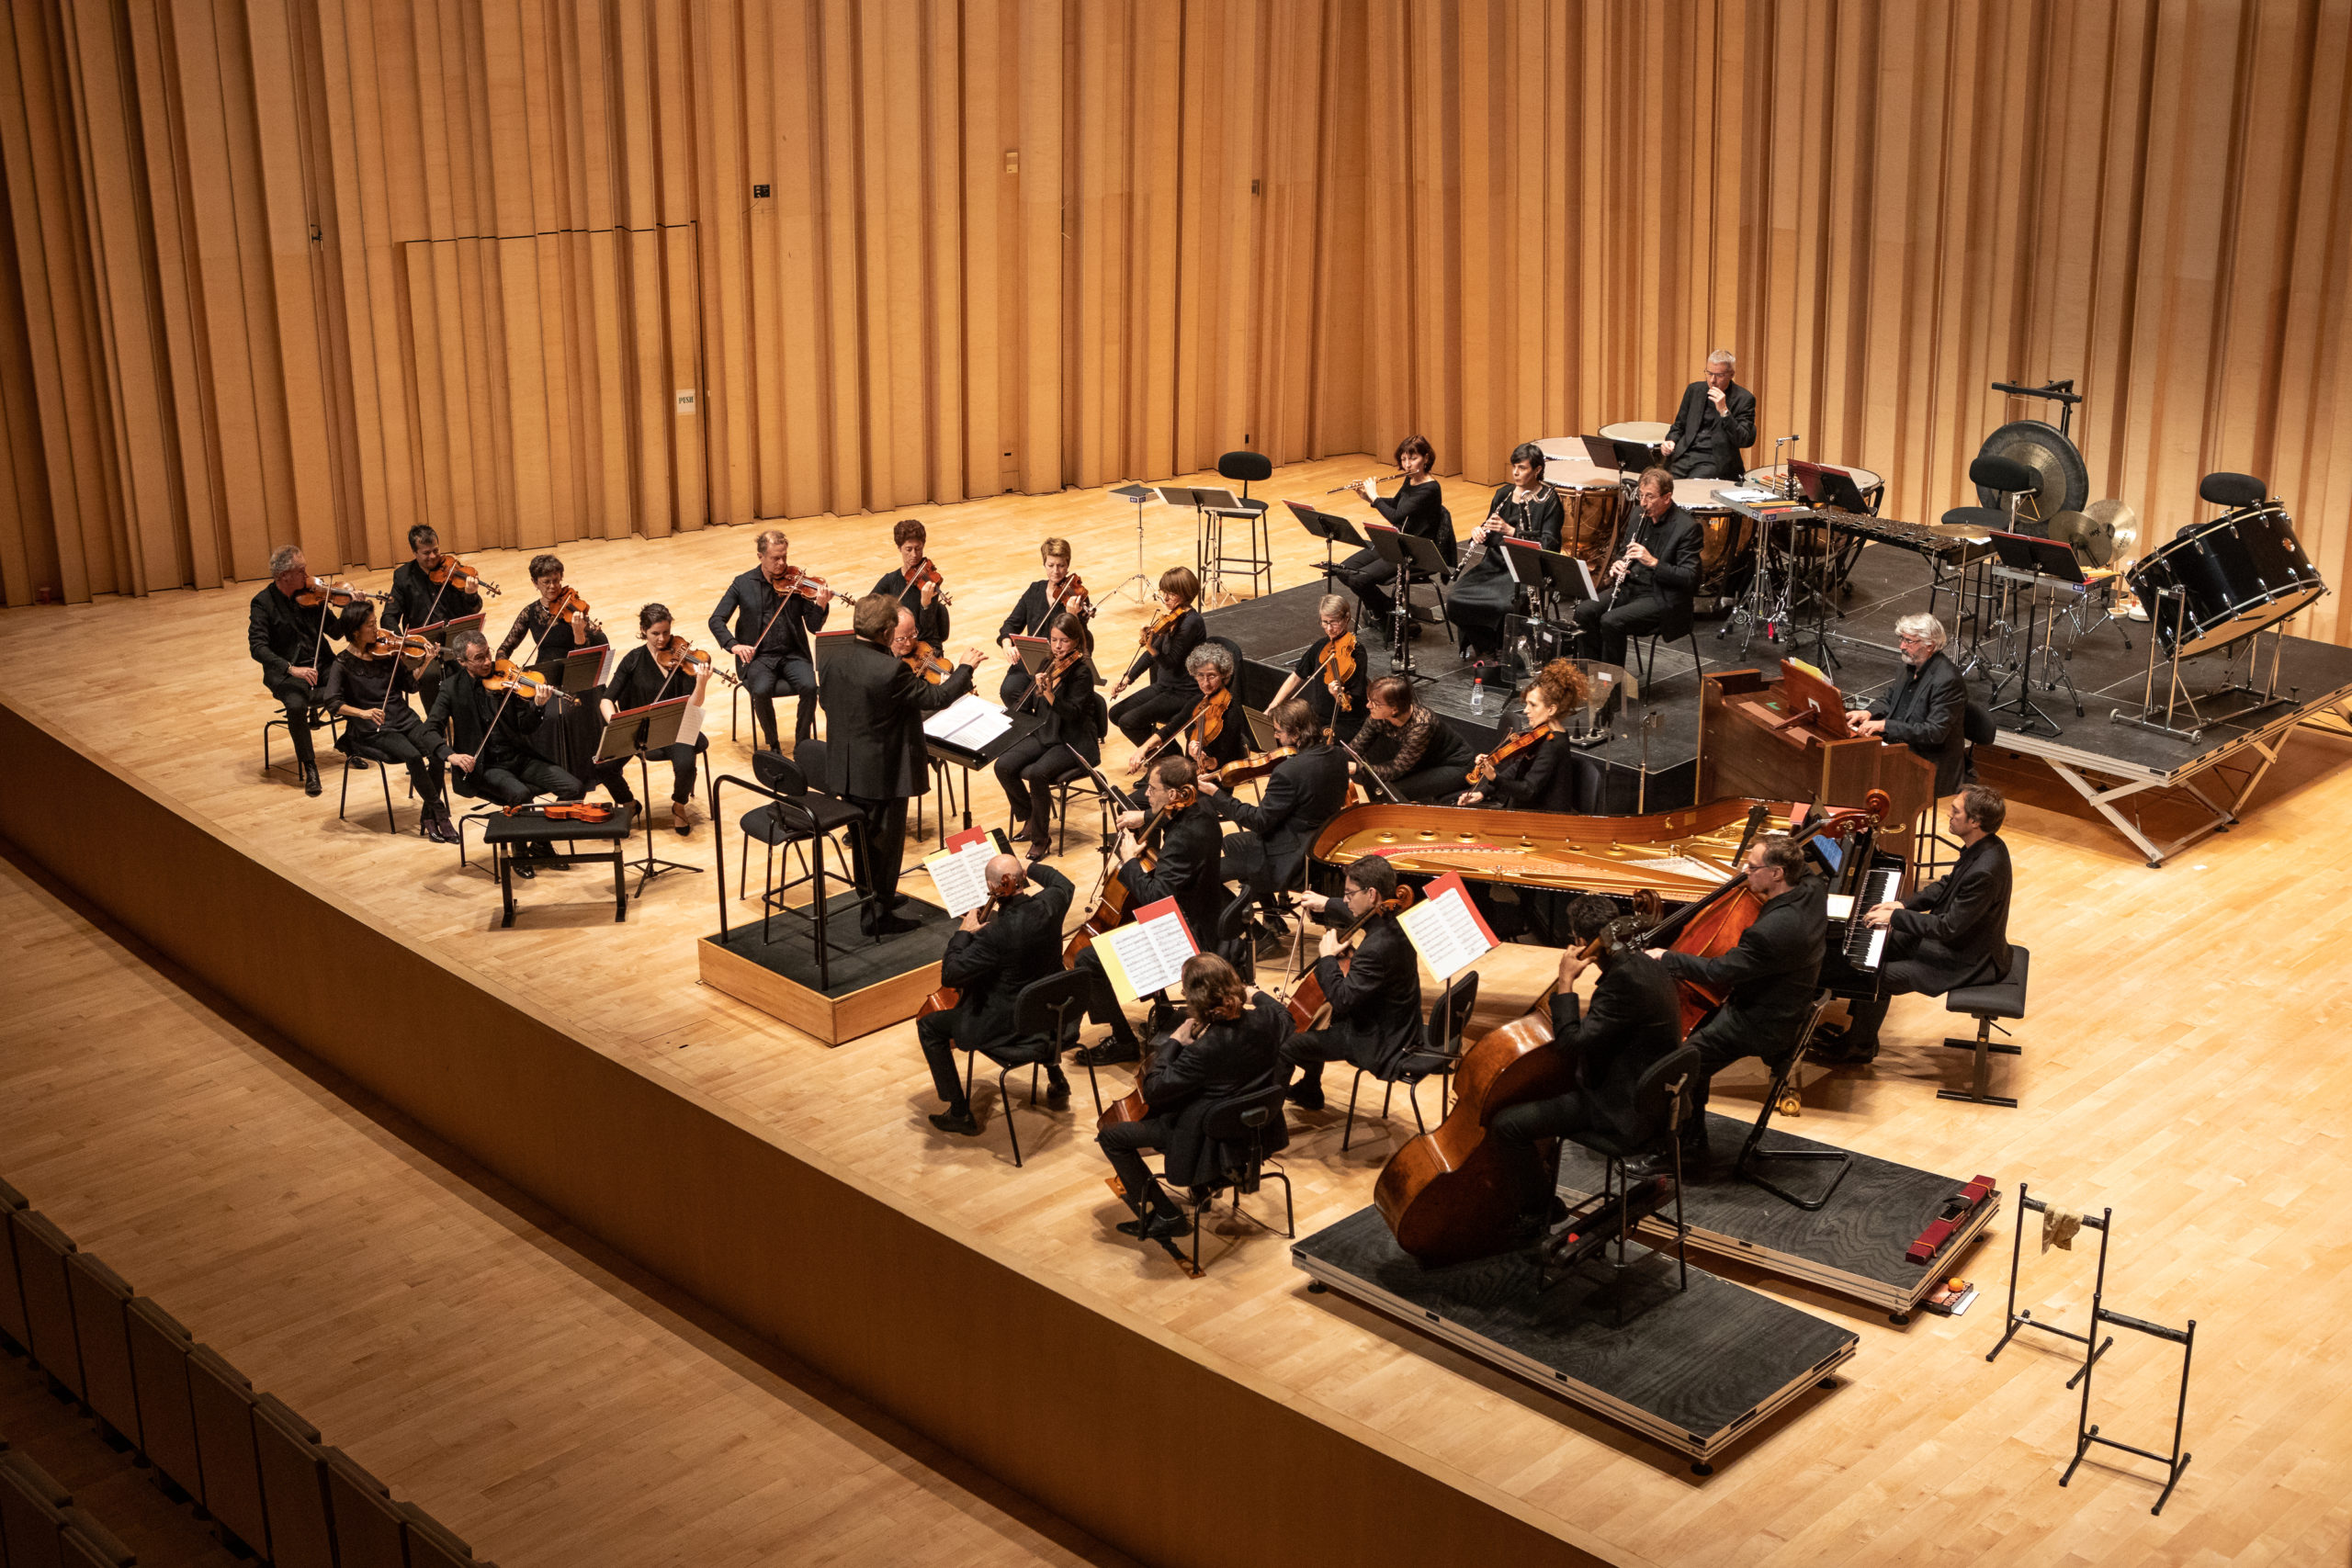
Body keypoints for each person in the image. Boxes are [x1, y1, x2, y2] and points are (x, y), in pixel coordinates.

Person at [1486, 897, 1686, 1225]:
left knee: (1508, 1125)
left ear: (1582, 941)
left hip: (1623, 1110)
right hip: (1653, 1099)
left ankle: (1539, 1211)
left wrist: (1565, 982)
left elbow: (1571, 1044)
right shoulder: (1646, 963)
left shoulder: (1622, 982)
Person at [1646, 834, 1826, 1156]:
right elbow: (1806, 869)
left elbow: (1720, 971)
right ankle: (1693, 1137)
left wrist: (1667, 957)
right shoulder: (1813, 891)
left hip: (1758, 1023)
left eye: (1753, 867)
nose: (1744, 872)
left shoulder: (1771, 931)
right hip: (1784, 1007)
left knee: (1678, 1065)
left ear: (1777, 874)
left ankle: (1682, 1153)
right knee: (1690, 1048)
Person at [1096, 953, 1292, 1247]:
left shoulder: (1204, 1049)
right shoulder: (1267, 1020)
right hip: (1254, 1125)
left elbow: (1154, 1089)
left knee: (1111, 1136)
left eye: (1186, 993)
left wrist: (1174, 1040)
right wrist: (1255, 993)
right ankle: (1205, 1183)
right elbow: (1286, 1016)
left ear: (1198, 999)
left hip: (1204, 1136)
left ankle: (1167, 1216)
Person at [817, 595, 981, 937]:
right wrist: (965, 668)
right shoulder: (889, 669)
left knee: (864, 841)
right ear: (884, 630)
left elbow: (826, 701)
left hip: (846, 765)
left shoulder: (833, 656)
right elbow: (936, 698)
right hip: (882, 769)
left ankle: (876, 899)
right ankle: (877, 915)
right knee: (884, 847)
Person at [1818, 784, 2014, 1065]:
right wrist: (1903, 905)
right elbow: (1946, 886)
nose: (1949, 812)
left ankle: (1858, 1048)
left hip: (1966, 959)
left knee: (1877, 976)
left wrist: (1896, 918)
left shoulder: (1985, 869)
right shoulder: (1984, 846)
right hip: (1954, 943)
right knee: (1873, 942)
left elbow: (1947, 927)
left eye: (1956, 810)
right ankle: (1857, 1036)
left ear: (1975, 822)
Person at [1070, 756, 1224, 1067]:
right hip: (1204, 910)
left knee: (1086, 959)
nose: (1147, 794)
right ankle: (1158, 1007)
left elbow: (1156, 899)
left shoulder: (1183, 838)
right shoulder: (1201, 809)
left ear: (1173, 794)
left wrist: (1128, 861)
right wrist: (1145, 816)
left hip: (1185, 932)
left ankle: (1123, 1042)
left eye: (1152, 789)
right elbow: (1176, 818)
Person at [919, 854, 1080, 1134]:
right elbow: (1062, 882)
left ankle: (959, 1113)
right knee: (1038, 994)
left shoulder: (995, 935)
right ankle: (1056, 1075)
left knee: (929, 1026)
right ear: (1021, 880)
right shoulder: (1051, 906)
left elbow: (952, 974)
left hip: (1012, 1030)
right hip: (1053, 1019)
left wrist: (963, 934)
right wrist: (1027, 866)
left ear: (995, 888)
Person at [430, 629, 585, 874]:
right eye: (478, 658)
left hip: (518, 758)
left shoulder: (507, 682)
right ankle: (519, 852)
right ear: (462, 662)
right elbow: (429, 730)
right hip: (486, 766)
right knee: (521, 795)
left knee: (574, 788)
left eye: (488, 654)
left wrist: (537, 706)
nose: (487, 662)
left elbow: (526, 727)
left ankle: (541, 844)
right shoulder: (451, 689)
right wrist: (451, 756)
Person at [1278, 857, 1423, 1111]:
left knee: (1284, 1044)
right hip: (1402, 1025)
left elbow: (1342, 1000)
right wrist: (1327, 903)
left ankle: (1267, 1122)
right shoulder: (1397, 919)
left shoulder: (1375, 950)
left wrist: (1327, 959)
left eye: (1348, 894)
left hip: (1376, 1041)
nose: (1345, 900)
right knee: (1316, 1023)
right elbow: (1364, 915)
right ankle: (1309, 1090)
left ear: (1372, 894)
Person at [319, 604, 458, 843]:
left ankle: (429, 813)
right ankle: (441, 814)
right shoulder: (342, 663)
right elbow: (332, 702)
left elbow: (411, 686)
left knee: (437, 749)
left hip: (404, 718)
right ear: (355, 631)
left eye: (376, 623)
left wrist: (426, 661)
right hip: (372, 729)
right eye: (371, 625)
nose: (378, 629)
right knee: (413, 756)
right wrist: (363, 713)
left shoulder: (386, 654)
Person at [1198, 699, 1349, 908]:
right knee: (1231, 841)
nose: (1275, 736)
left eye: (1278, 731)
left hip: (1293, 857)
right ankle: (1270, 915)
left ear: (1295, 733)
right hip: (1322, 843)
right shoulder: (1338, 756)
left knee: (1204, 876)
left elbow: (1259, 822)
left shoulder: (1288, 772)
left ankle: (1258, 931)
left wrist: (1216, 794)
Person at [589, 604, 715, 836]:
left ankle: (678, 806)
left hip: (677, 727)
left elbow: (693, 705)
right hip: (640, 731)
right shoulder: (634, 660)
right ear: (643, 630)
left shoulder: (684, 663)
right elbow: (606, 700)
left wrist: (702, 682)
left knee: (686, 765)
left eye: (666, 632)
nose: (662, 639)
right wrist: (617, 723)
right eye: (655, 633)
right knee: (602, 766)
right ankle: (629, 803)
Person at [248, 545, 364, 796]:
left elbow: (335, 632)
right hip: (288, 673)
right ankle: (310, 766)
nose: (307, 575)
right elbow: (257, 648)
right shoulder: (263, 603)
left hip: (321, 664)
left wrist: (351, 610)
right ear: (283, 576)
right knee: (297, 706)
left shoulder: (313, 595)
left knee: (357, 680)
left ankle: (350, 743)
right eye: (301, 571)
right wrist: (292, 669)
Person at [992, 614, 1105, 861]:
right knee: (1004, 765)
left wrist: (1051, 694)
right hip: (1046, 733)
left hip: (1073, 740)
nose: (1057, 646)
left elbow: (1073, 715)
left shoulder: (1082, 673)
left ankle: (1041, 839)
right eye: (1054, 640)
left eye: (1064, 641)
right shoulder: (1047, 663)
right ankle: (1031, 816)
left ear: (1076, 641)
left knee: (1037, 773)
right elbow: (1032, 704)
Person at [709, 529, 832, 750]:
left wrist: (821, 605)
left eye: (785, 556)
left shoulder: (796, 582)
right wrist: (734, 646)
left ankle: (802, 743)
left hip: (793, 653)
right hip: (759, 657)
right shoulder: (742, 584)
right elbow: (716, 619)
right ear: (760, 557)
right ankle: (773, 743)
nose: (782, 563)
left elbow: (813, 627)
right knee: (761, 689)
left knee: (809, 686)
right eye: (776, 558)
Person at [1572, 468, 1702, 668]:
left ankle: (1611, 688)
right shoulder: (1638, 514)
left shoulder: (1687, 528)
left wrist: (1653, 562)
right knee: (1584, 611)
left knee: (1610, 621)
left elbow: (1690, 578)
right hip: (1630, 587)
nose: (1643, 503)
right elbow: (1624, 550)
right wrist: (1618, 563)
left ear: (1667, 497)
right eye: (1641, 495)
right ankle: (1592, 676)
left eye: (1650, 497)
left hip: (1661, 597)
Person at [1447, 443, 1563, 667]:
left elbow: (1549, 544)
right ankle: (1486, 648)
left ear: (1537, 470)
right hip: (1494, 565)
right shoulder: (1504, 493)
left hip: (1525, 570)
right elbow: (1491, 530)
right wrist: (1479, 533)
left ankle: (1500, 648)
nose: (1516, 473)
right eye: (1514, 467)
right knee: (1455, 599)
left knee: (1503, 605)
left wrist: (1512, 532)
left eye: (1522, 468)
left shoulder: (1549, 500)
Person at [1337, 434, 1455, 640]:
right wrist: (1368, 497)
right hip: (1397, 543)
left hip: (1415, 551)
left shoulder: (1431, 488)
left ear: (1426, 458)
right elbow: (1397, 504)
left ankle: (1385, 617)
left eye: (1413, 458)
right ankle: (1392, 614)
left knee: (1359, 579)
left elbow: (1397, 517)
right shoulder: (1410, 480)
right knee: (1342, 570)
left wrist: (1375, 497)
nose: (1407, 465)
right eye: (1403, 459)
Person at [1854, 613, 1972, 796]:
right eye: (1902, 639)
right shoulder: (1907, 666)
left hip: (1927, 763)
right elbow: (1890, 698)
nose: (1902, 646)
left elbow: (1934, 732)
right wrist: (1868, 713)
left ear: (1929, 645)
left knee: (1861, 780)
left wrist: (1886, 725)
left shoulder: (1947, 680)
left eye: (1909, 641)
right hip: (1899, 751)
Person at [1457, 659, 1586, 810]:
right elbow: (1518, 768)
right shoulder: (1542, 733)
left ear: (1551, 710)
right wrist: (1484, 792)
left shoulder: (1553, 744)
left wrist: (1494, 778)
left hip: (1541, 819)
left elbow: (1528, 790)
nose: (1525, 710)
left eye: (1533, 705)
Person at [1126, 641, 1249, 789]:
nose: (1206, 683)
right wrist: (1143, 749)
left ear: (1223, 675)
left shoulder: (1231, 712)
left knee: (1149, 803)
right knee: (1136, 800)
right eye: (1200, 676)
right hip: (1189, 776)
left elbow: (1222, 762)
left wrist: (1204, 759)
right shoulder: (1198, 702)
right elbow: (1170, 729)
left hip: (1212, 785)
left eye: (1212, 676)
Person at [1109, 567, 1206, 743]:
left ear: (1186, 593)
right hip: (1163, 686)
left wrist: (1151, 648)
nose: (1166, 598)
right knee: (1116, 714)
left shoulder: (1191, 622)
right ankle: (1159, 749)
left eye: (1172, 593)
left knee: (1128, 721)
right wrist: (1127, 679)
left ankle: (1167, 754)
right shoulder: (1173, 618)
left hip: (1183, 692)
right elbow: (1149, 656)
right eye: (1164, 592)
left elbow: (1170, 663)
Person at [996, 537, 1093, 705]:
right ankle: (1028, 727)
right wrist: (1007, 644)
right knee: (1009, 691)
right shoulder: (1035, 590)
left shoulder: (1075, 596)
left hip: (1060, 665)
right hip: (1032, 660)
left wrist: (1073, 617)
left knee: (1043, 698)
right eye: (1051, 565)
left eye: (1061, 565)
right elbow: (1011, 623)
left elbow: (1084, 643)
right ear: (1044, 564)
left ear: (1068, 564)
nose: (1056, 571)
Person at [1347, 675, 1475, 803]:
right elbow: (1356, 747)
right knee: (1376, 783)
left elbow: (1396, 769)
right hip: (1422, 760)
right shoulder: (1379, 716)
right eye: (1369, 700)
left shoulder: (1421, 725)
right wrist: (1333, 758)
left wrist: (1359, 768)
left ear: (1394, 709)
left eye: (1374, 703)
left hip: (1454, 764)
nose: (1368, 705)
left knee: (1391, 792)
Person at [1266, 595, 1370, 743]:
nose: (1329, 628)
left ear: (1346, 618)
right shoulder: (1321, 646)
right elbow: (1297, 676)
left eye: (1334, 622)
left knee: (1316, 746)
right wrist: (1273, 705)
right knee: (1286, 734)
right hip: (1318, 718)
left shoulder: (1357, 652)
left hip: (1346, 721)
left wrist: (1337, 696)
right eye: (1325, 622)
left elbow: (1355, 698)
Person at [1660, 349, 1756, 481]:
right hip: (1685, 455)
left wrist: (1724, 411)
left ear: (1731, 374)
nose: (1712, 380)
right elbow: (1679, 425)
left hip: (1714, 461)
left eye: (1719, 375)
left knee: (1690, 488)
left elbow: (1744, 440)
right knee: (1659, 484)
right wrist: (1671, 440)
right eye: (1709, 373)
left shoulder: (1744, 399)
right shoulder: (1694, 390)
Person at [383, 524, 484, 634]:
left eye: (435, 550)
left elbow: (473, 611)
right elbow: (388, 617)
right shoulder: (403, 576)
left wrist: (471, 595)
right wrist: (402, 644)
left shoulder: (451, 569)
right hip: (423, 641)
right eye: (426, 553)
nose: (432, 556)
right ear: (414, 552)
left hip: (455, 636)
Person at [873, 519, 952, 650]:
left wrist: (925, 604)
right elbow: (868, 608)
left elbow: (927, 629)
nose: (914, 555)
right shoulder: (890, 580)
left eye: (918, 549)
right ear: (899, 548)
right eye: (908, 549)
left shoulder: (929, 582)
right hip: (899, 645)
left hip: (926, 645)